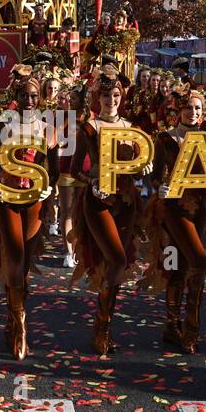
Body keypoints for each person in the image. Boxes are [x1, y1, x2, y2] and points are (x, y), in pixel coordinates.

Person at [68, 66, 148, 358]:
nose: (111, 100)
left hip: (125, 202)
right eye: (105, 95)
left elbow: (141, 163)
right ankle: (101, 327)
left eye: (115, 95)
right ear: (97, 98)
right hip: (98, 201)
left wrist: (144, 168)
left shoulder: (132, 129)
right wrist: (92, 182)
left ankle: (105, 325)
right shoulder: (89, 127)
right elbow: (76, 169)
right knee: (115, 257)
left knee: (119, 263)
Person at [0, 69, 57, 360]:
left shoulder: (49, 129)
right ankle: (22, 326)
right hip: (7, 199)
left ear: (40, 99)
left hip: (35, 199)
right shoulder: (0, 125)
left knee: (23, 263)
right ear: (16, 97)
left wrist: (50, 189)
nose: (29, 100)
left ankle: (12, 318)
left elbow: (56, 170)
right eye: (24, 94)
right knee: (13, 253)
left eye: (34, 95)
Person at [145, 88, 206, 354]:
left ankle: (171, 325)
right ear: (177, 110)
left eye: (196, 108)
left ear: (203, 111)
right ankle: (191, 329)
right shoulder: (165, 139)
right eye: (187, 108)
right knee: (199, 262)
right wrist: (160, 188)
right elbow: (155, 176)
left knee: (179, 268)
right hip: (174, 210)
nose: (192, 113)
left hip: (200, 208)